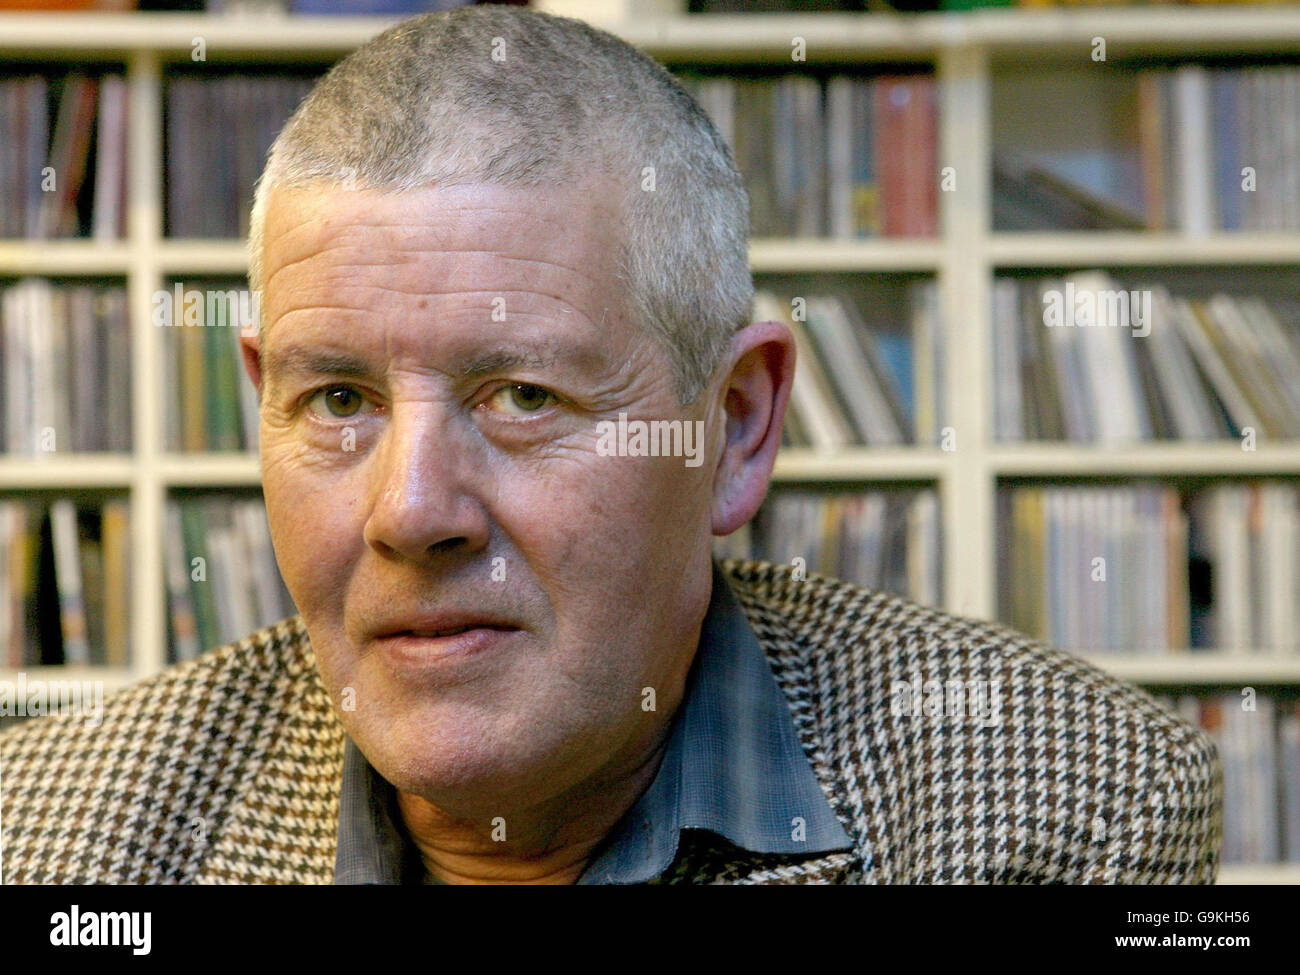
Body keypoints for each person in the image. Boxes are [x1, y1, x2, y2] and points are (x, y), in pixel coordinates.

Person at [0, 6, 1219, 884]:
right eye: (338, 401)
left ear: (733, 426)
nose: (410, 510)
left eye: (522, 395)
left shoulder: (1057, 814)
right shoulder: (55, 834)